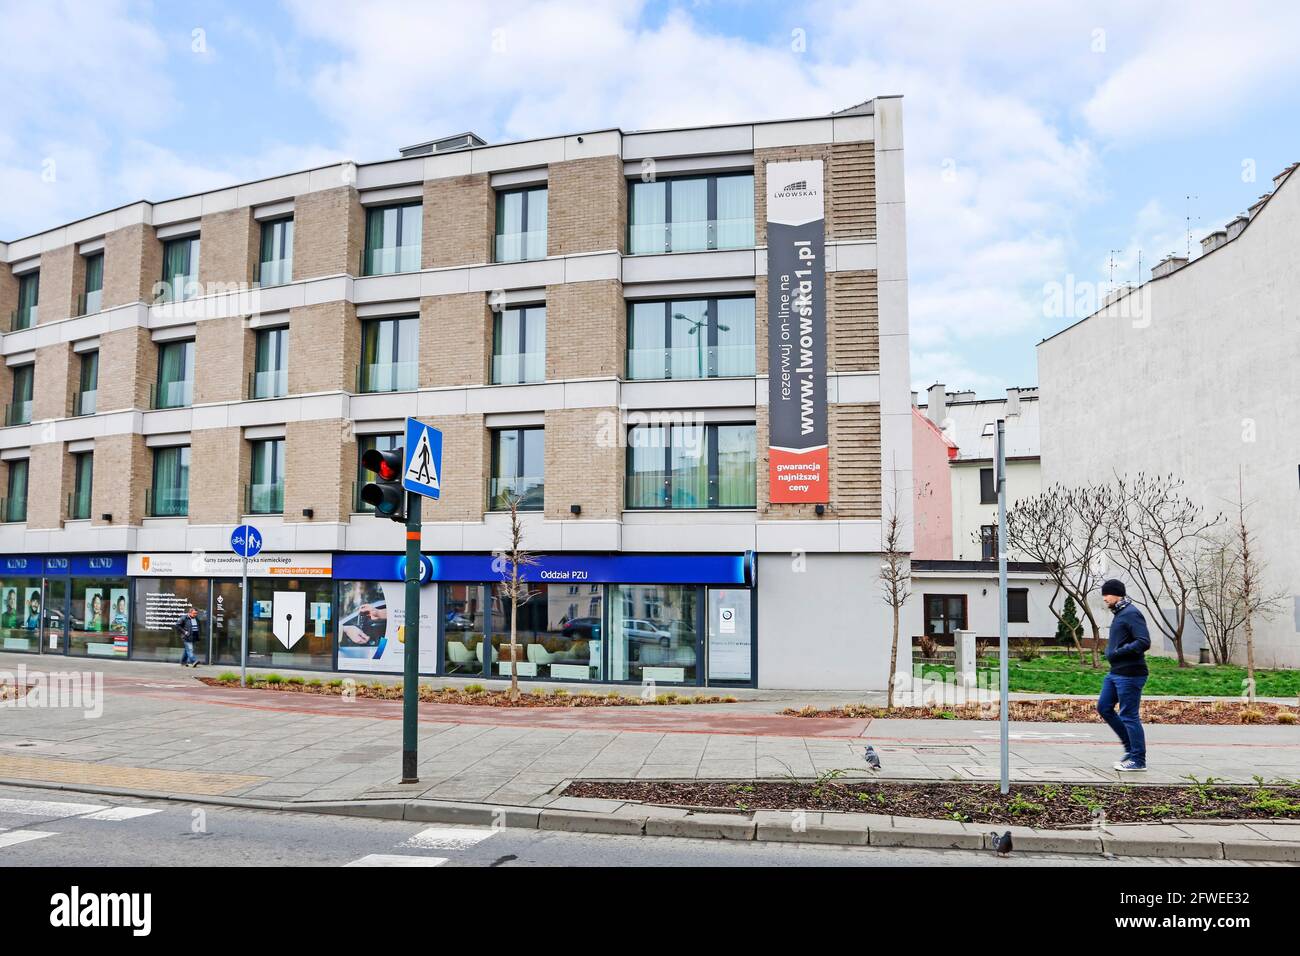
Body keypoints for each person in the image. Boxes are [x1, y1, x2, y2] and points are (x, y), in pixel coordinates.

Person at [1097, 579, 1151, 772]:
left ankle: (1138, 760)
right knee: (1104, 707)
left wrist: (1119, 651)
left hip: (1131, 673)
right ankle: (1130, 750)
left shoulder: (1131, 613)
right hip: (1116, 672)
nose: (1104, 598)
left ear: (1117, 594)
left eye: (1107, 594)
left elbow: (1143, 641)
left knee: (1129, 715)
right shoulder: (1120, 613)